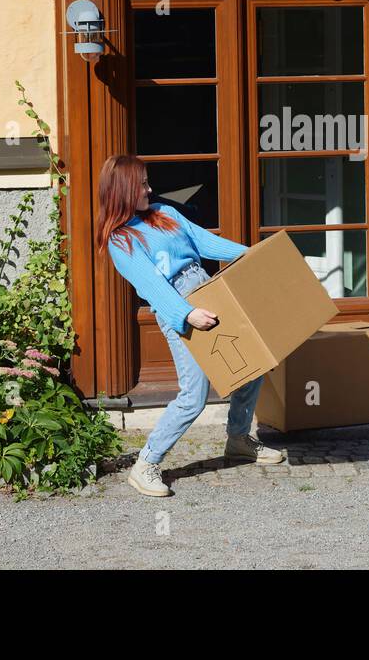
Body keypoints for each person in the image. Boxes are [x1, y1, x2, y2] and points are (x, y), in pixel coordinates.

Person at [97, 154, 285, 498]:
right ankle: (146, 464)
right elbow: (152, 286)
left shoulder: (165, 215)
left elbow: (204, 242)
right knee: (193, 396)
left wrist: (254, 254)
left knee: (251, 368)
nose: (149, 188)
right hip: (180, 311)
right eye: (142, 184)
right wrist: (186, 314)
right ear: (123, 189)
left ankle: (239, 440)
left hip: (209, 292)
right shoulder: (120, 240)